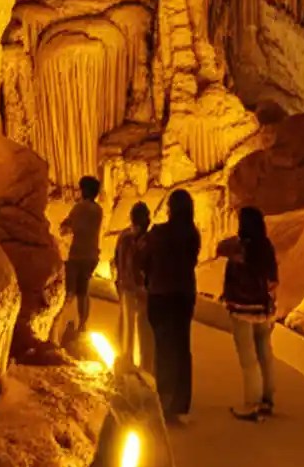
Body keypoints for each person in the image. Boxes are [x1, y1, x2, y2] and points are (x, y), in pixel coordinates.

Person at [217, 206, 279, 421]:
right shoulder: (266, 246)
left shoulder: (240, 248)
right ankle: (267, 400)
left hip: (242, 309)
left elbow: (219, 247)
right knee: (265, 354)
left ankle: (252, 403)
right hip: (262, 309)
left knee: (248, 358)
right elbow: (273, 280)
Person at [144, 189, 200, 424]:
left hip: (161, 293)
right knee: (181, 347)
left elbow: (146, 260)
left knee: (163, 347)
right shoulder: (192, 234)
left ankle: (163, 400)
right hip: (184, 293)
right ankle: (179, 402)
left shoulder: (158, 233)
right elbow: (192, 260)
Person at [59, 175, 103, 336]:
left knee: (69, 291)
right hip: (91, 255)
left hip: (78, 254)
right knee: (83, 291)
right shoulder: (98, 210)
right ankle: (82, 326)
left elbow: (67, 226)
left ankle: (60, 326)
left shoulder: (79, 208)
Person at [113, 202, 154, 373]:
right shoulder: (147, 239)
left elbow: (117, 260)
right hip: (136, 289)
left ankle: (127, 361)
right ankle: (139, 366)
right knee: (140, 330)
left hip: (129, 288)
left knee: (128, 327)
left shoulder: (125, 237)